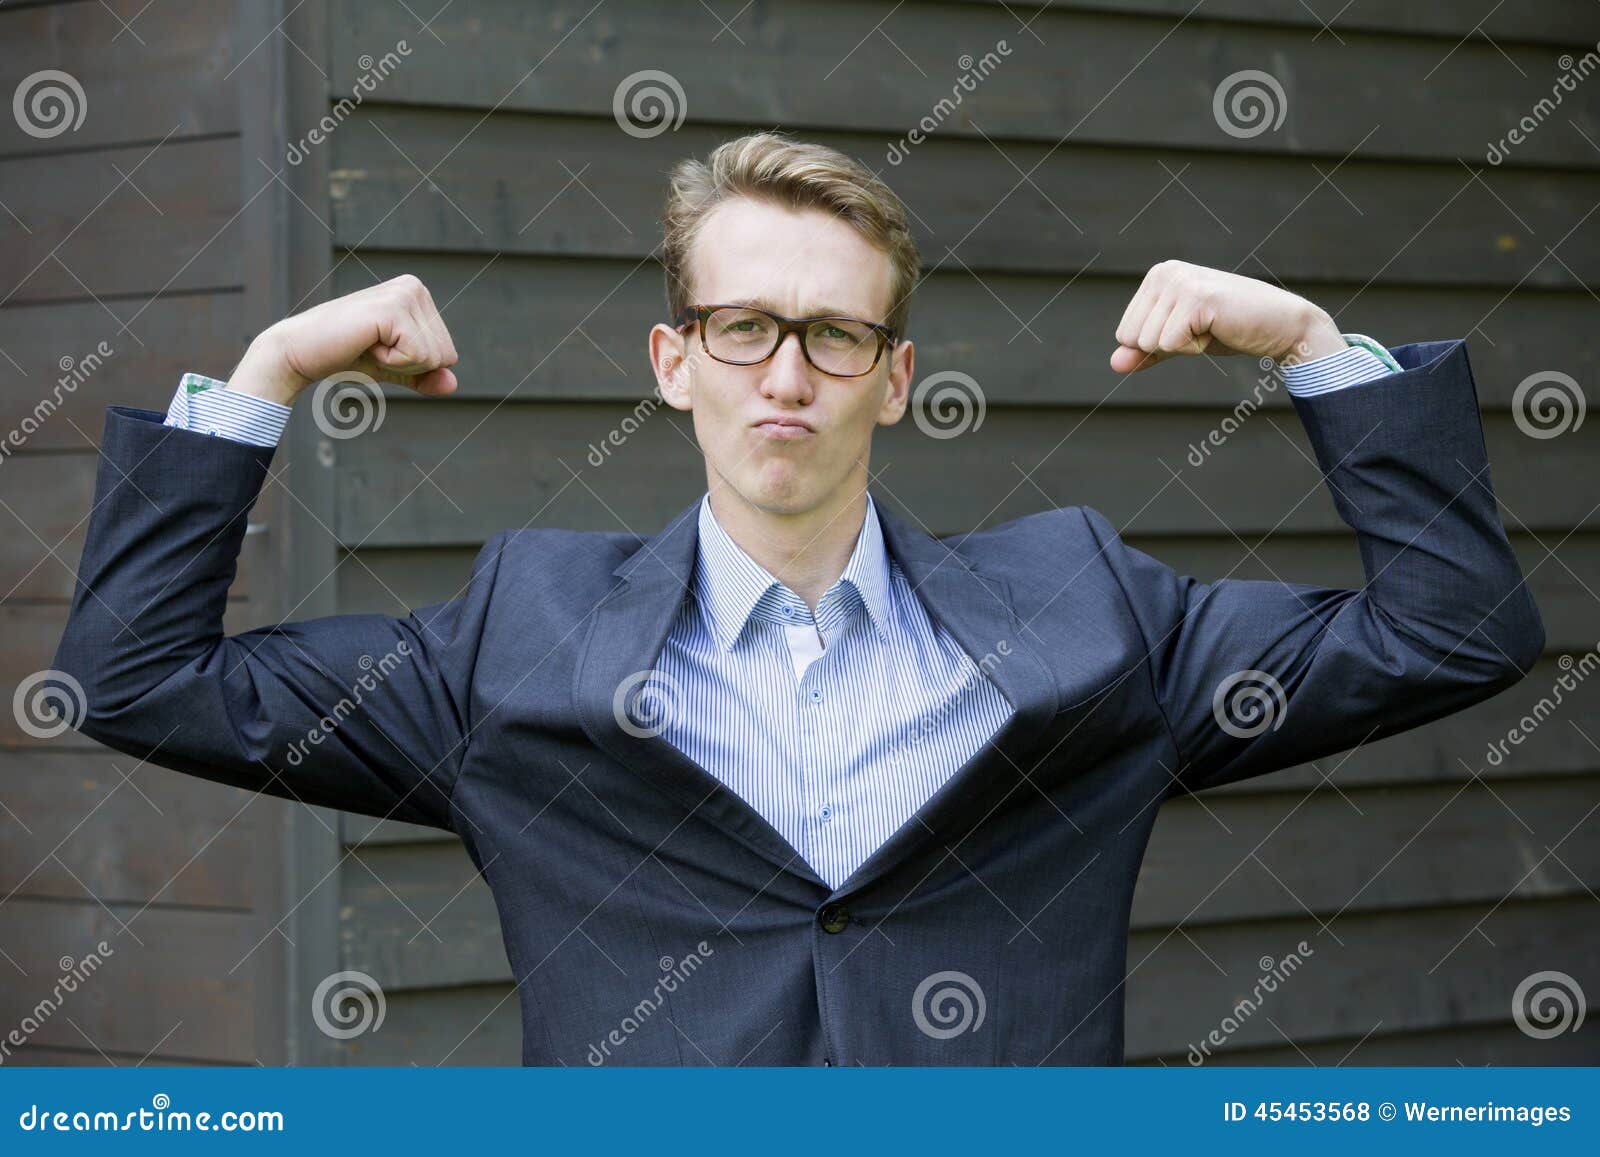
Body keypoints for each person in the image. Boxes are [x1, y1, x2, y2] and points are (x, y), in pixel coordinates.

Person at [51, 131, 1542, 1065]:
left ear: (894, 380)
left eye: (833, 334)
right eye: (745, 323)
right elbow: (139, 678)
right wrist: (271, 375)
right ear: (673, 359)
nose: (784, 373)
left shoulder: (1089, 618)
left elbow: (1452, 630)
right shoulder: (517, 640)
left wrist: (1312, 343)